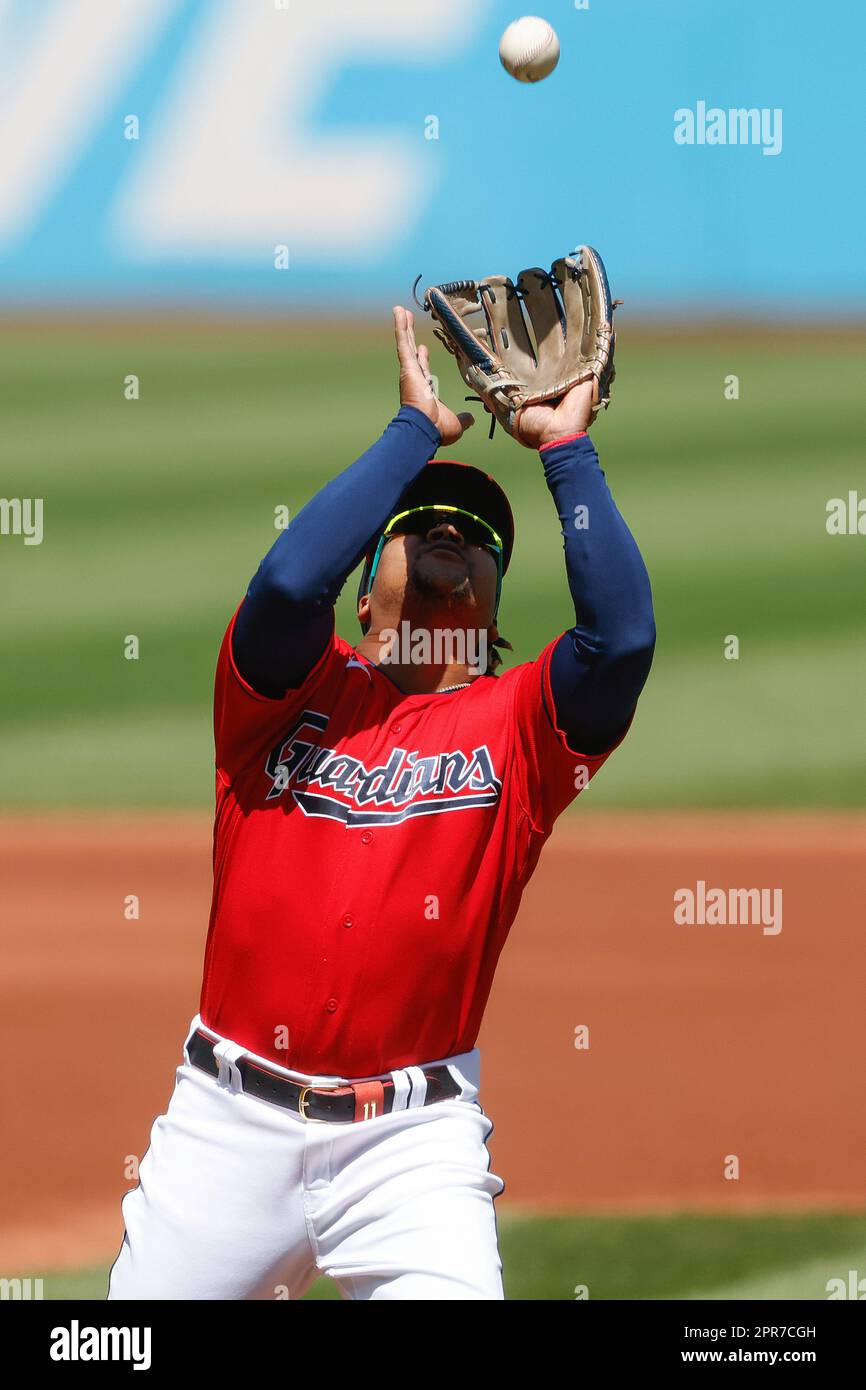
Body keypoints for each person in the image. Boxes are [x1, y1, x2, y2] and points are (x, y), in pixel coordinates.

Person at [108, 306, 655, 1301]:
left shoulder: (523, 729)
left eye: (479, 539)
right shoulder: (285, 694)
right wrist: (412, 436)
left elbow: (616, 642)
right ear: (363, 599)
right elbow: (283, 585)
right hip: (223, 1126)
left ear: (493, 615)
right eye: (419, 527)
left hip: (412, 1143)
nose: (453, 535)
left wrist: (565, 448)